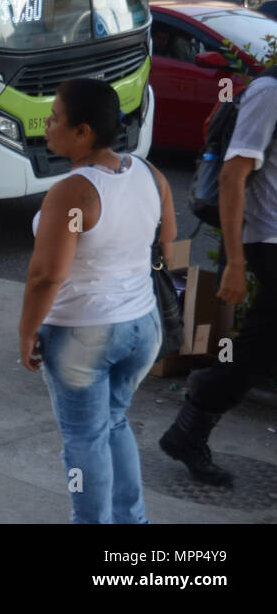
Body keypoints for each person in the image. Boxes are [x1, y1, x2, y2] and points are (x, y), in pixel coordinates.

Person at [19, 78, 173, 524]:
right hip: (143, 326)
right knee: (115, 422)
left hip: (83, 334)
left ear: (83, 131)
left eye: (55, 119)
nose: (47, 126)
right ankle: (132, 521)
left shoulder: (72, 192)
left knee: (83, 441)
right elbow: (166, 239)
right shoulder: (151, 173)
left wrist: (27, 330)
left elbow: (48, 275)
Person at [160, 62, 277, 485]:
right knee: (257, 347)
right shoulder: (269, 91)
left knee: (259, 347)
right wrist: (236, 263)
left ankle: (189, 426)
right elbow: (232, 176)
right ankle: (194, 418)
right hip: (269, 241)